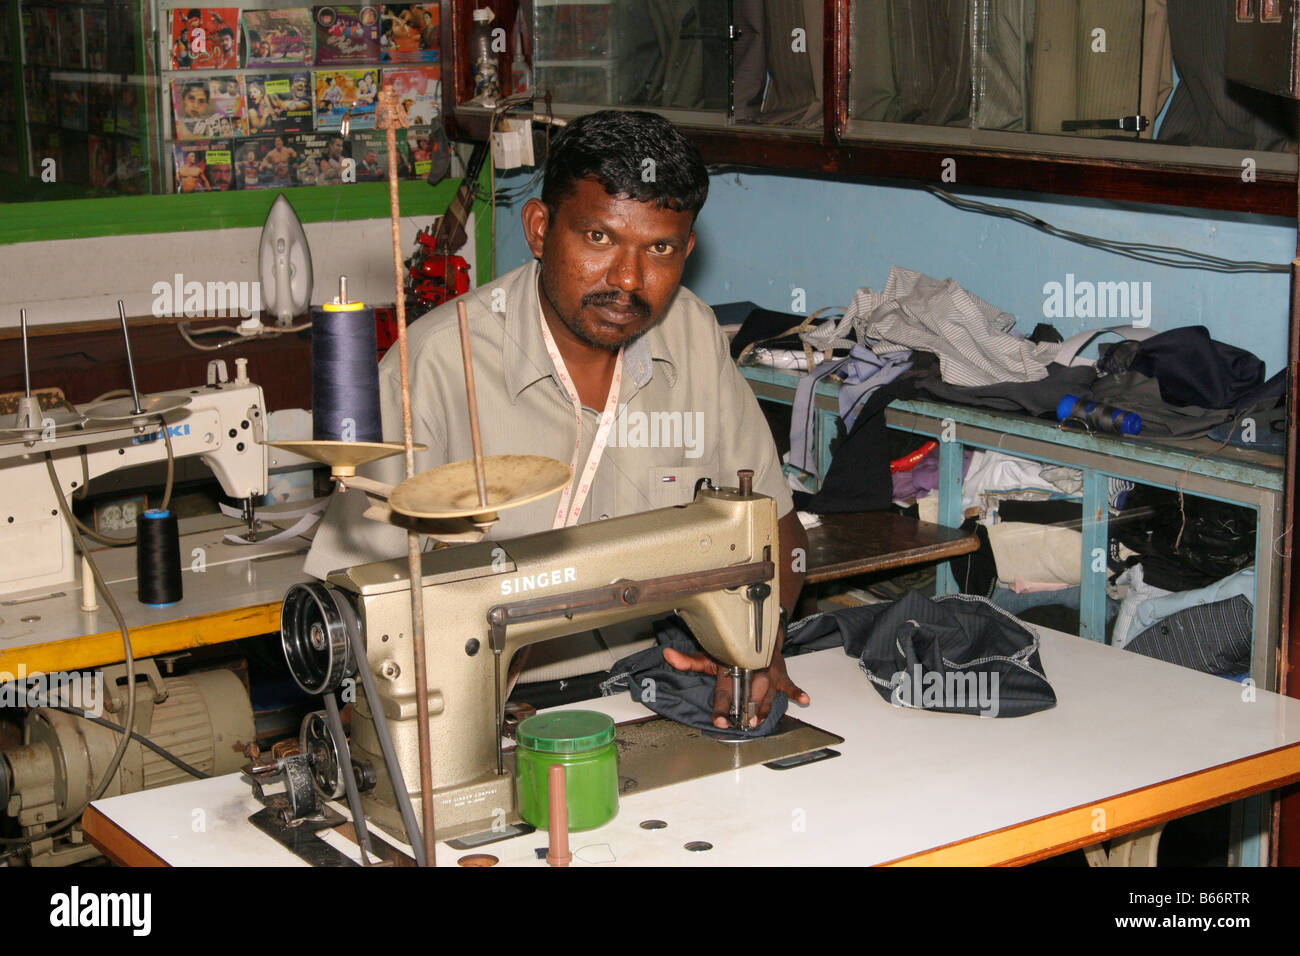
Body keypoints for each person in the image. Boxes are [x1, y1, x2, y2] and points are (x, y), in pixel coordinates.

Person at [306, 110, 809, 729]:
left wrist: (763, 645)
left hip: (661, 676)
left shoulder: (694, 335)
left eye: (659, 249)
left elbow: (778, 528)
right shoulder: (433, 369)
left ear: (687, 250)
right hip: (496, 702)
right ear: (540, 229)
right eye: (599, 239)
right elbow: (349, 602)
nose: (627, 279)